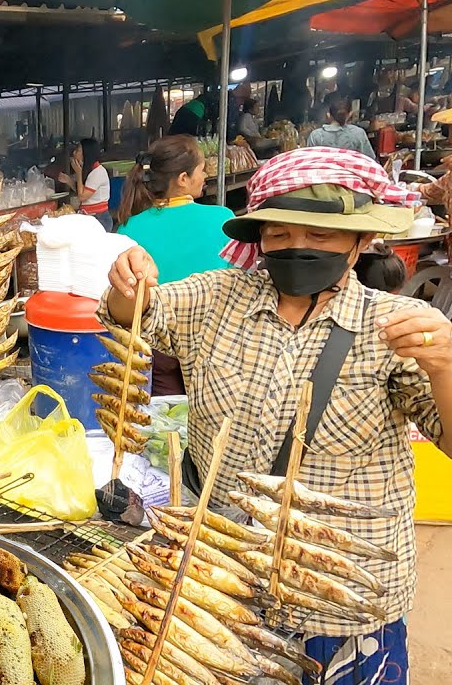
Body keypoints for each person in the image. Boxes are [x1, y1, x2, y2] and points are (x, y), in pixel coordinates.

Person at [104, 147, 446, 682]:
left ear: (359, 241)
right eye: (280, 234)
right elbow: (138, 313)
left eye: (320, 235)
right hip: (226, 581)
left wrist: (445, 366)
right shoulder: (219, 296)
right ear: (259, 238)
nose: (297, 247)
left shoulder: (400, 323)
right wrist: (129, 282)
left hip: (342, 600)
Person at [113, 135, 231, 396]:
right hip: (214, 346)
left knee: (169, 422)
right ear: (182, 179)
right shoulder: (223, 219)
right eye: (201, 170)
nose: (205, 176)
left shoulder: (129, 227)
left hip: (156, 348)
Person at [308, 98, 377, 160]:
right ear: (350, 114)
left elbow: (308, 160)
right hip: (351, 173)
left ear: (328, 115)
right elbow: (370, 160)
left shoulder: (315, 135)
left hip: (323, 173)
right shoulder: (358, 133)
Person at [69, 138, 113, 231]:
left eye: (78, 150)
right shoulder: (90, 170)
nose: (74, 153)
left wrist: (78, 174)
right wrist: (69, 181)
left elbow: (82, 197)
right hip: (90, 216)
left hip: (98, 218)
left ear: (86, 153)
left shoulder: (98, 172)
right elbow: (81, 190)